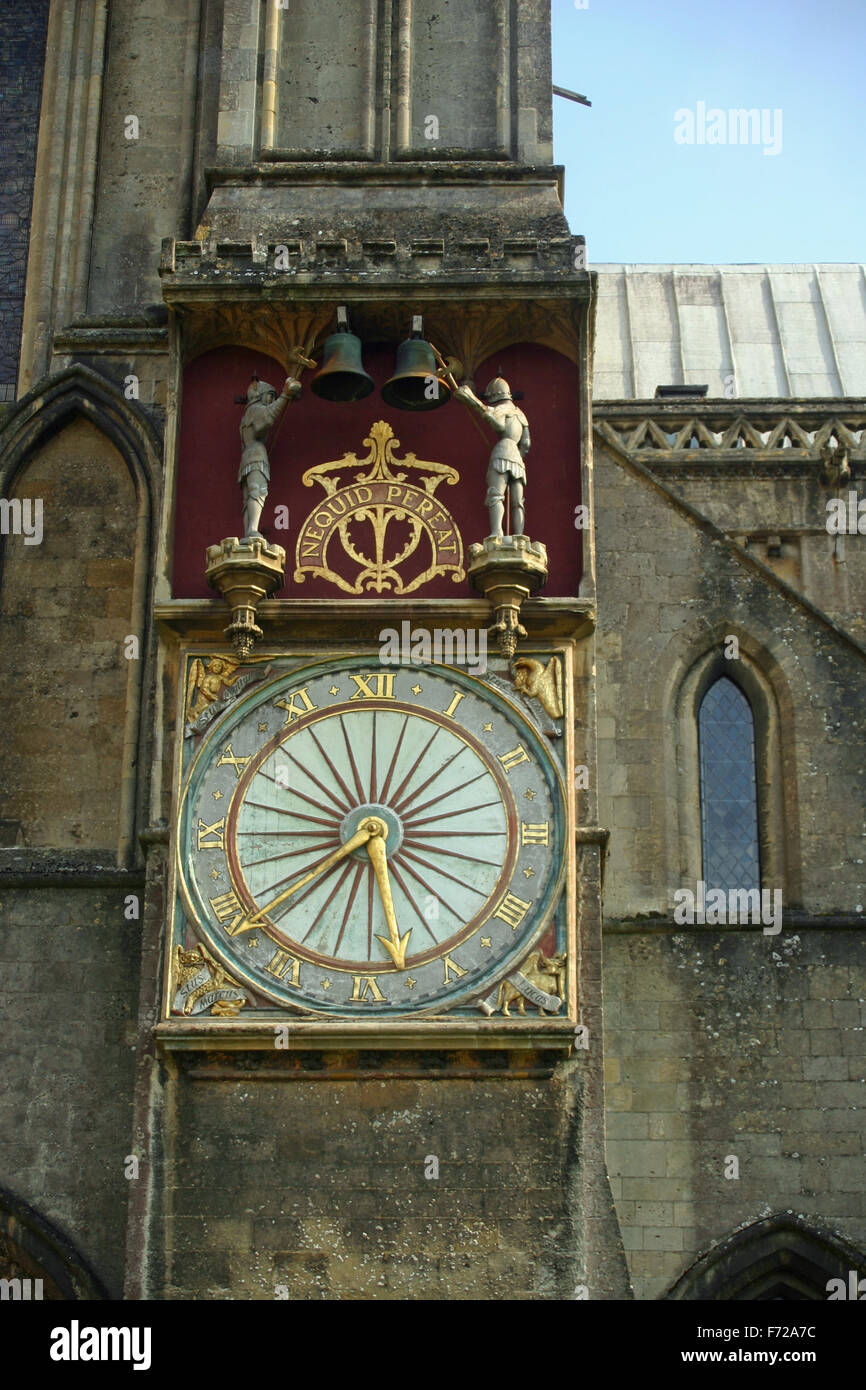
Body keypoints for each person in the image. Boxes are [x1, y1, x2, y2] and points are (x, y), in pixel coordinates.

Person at [454, 376, 530, 537]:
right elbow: (526, 444)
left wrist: (473, 401)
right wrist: (518, 456)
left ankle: (497, 532)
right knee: (518, 502)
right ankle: (519, 535)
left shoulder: (501, 409)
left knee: (496, 495)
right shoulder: (520, 414)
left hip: (502, 451)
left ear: (494, 395)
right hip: (517, 458)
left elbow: (499, 425)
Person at [238, 375, 301, 537]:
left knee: (250, 495)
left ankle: (249, 530)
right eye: (270, 396)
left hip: (249, 455)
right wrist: (285, 395)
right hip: (256, 455)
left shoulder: (248, 414)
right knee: (258, 491)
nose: (271, 400)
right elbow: (269, 416)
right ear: (260, 395)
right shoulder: (255, 410)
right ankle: (252, 529)